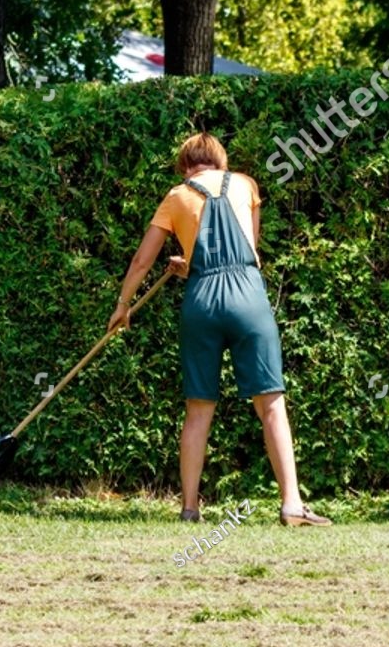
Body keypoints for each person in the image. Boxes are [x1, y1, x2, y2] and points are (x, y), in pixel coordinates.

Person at [108, 133, 330, 527]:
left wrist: (123, 306)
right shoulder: (245, 184)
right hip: (248, 296)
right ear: (219, 161)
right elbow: (250, 248)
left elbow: (143, 258)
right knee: (272, 404)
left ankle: (190, 509)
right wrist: (194, 260)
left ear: (185, 166)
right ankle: (292, 504)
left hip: (202, 301)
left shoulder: (177, 196)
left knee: (198, 409)